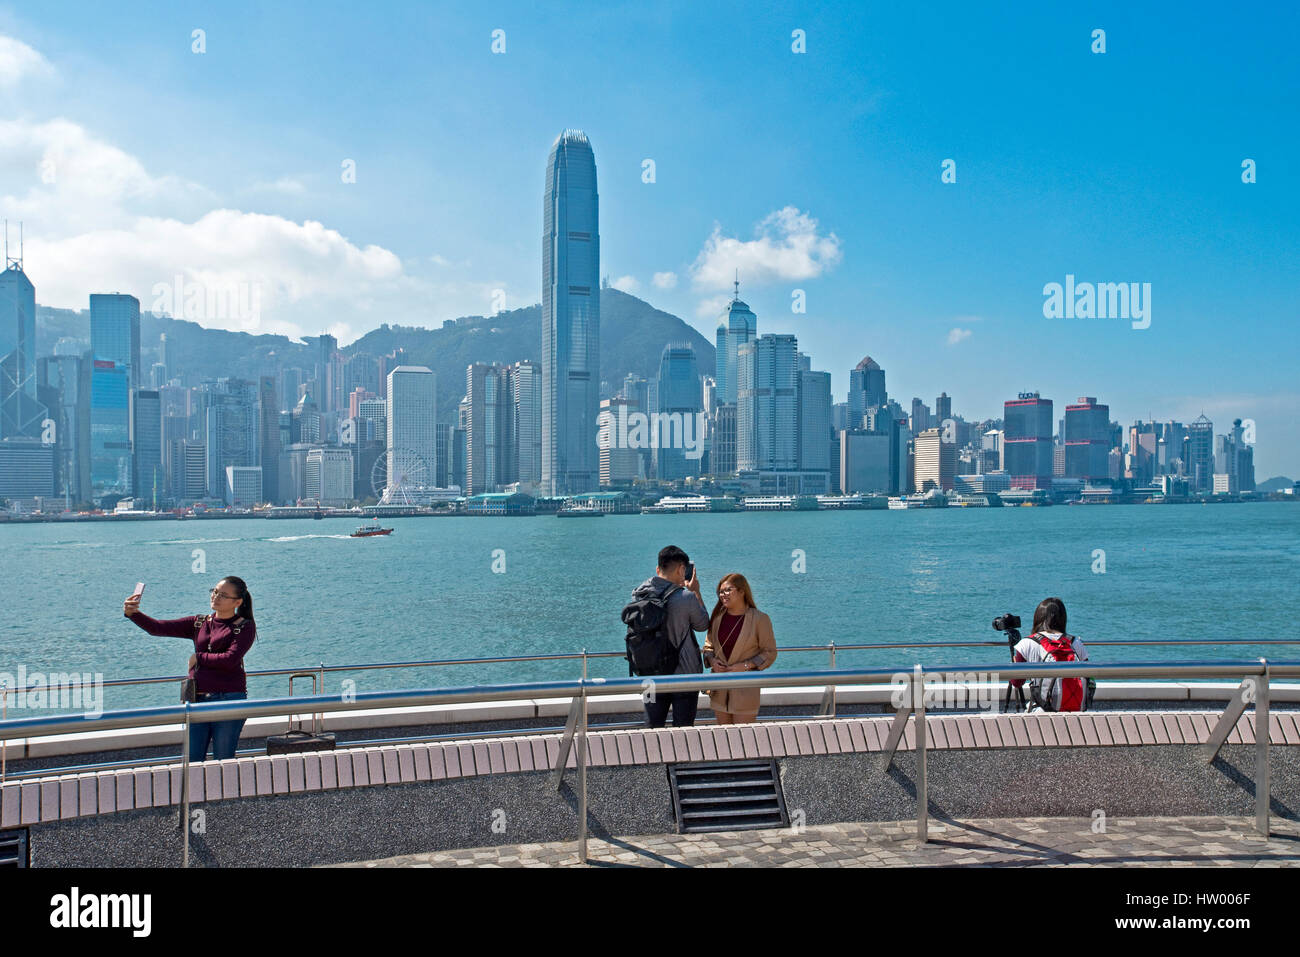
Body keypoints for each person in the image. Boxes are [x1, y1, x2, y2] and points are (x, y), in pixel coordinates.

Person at [123, 577, 257, 760]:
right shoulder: (199, 623)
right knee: (193, 760)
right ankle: (197, 790)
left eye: (223, 595)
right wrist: (133, 614)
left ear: (238, 602)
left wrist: (198, 657)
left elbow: (229, 660)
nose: (215, 597)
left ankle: (223, 790)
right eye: (215, 591)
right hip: (197, 699)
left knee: (223, 760)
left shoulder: (244, 627)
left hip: (229, 698)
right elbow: (157, 628)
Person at [628, 546, 709, 728]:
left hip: (650, 673)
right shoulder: (686, 597)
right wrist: (696, 591)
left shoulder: (638, 594)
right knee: (683, 728)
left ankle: (652, 756)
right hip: (684, 673)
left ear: (658, 569)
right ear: (682, 569)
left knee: (652, 727)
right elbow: (703, 624)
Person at [702, 573, 777, 724]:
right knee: (724, 739)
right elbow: (708, 647)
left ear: (742, 591)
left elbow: (770, 652)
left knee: (745, 740)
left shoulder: (760, 619)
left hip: (746, 690)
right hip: (719, 691)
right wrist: (712, 661)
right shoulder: (717, 618)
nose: (723, 595)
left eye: (728, 590)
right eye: (721, 592)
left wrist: (745, 666)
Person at [1012, 597, 1092, 712]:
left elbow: (1017, 682)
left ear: (1037, 618)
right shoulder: (1075, 642)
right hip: (1075, 709)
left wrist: (1014, 665)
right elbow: (1089, 675)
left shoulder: (1027, 643)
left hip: (1042, 710)